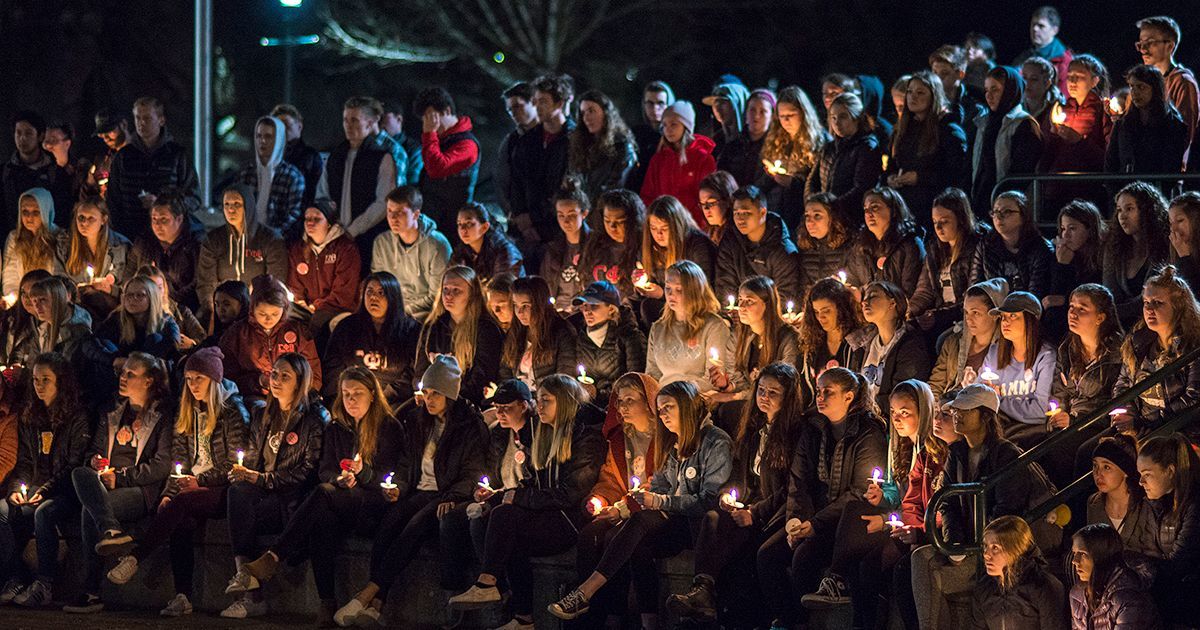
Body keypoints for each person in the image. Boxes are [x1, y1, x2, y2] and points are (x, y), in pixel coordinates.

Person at [229, 363, 404, 626]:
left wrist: (364, 474)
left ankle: (274, 557)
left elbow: (391, 478)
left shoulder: (388, 427)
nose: (351, 399)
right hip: (343, 498)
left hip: (374, 504)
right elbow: (326, 471)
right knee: (322, 519)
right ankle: (326, 601)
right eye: (346, 394)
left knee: (322, 495)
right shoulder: (337, 428)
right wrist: (340, 479)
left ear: (372, 394)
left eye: (357, 393)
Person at [547, 379, 732, 624]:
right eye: (661, 408)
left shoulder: (715, 441)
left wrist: (658, 501)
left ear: (686, 407)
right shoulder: (671, 441)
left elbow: (707, 501)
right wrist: (621, 506)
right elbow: (659, 487)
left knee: (640, 523)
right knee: (636, 534)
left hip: (700, 527)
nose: (663, 414)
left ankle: (586, 592)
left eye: (669, 407)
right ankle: (647, 621)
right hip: (675, 521)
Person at [333, 357, 488, 627]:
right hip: (418, 491)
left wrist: (453, 497)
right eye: (426, 392)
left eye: (436, 393)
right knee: (389, 524)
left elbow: (473, 471)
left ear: (449, 394)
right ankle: (378, 605)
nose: (429, 399)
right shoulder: (418, 420)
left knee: (414, 527)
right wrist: (400, 488)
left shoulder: (468, 425)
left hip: (445, 495)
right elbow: (406, 462)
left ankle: (367, 594)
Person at [448, 374, 606, 630]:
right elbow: (534, 482)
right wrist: (498, 496)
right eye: (538, 400)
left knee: (505, 518)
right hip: (545, 514)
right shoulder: (544, 435)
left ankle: (489, 584)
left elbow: (570, 494)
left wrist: (517, 498)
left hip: (569, 520)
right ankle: (523, 619)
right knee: (501, 520)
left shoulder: (586, 438)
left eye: (546, 401)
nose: (539, 407)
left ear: (565, 402)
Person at [102, 347, 250, 616]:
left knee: (181, 503)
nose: (192, 385)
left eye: (199, 379)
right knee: (179, 516)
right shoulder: (186, 411)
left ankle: (136, 557)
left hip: (222, 487)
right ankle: (183, 597)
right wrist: (168, 495)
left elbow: (235, 464)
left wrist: (200, 480)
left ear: (214, 380)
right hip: (190, 490)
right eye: (189, 378)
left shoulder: (232, 411)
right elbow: (178, 462)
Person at [668, 363, 802, 624]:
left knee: (735, 555)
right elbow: (742, 474)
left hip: (775, 515)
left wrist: (754, 512)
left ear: (787, 397)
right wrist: (728, 496)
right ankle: (702, 591)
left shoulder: (796, 433)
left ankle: (709, 608)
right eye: (761, 390)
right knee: (713, 517)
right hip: (751, 508)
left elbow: (792, 488)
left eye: (773, 393)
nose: (764, 397)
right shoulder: (754, 429)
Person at [797, 379, 934, 627]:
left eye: (905, 413)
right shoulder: (898, 445)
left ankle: (837, 580)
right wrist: (883, 497)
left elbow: (923, 503)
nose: (897, 419)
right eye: (893, 412)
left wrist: (884, 520)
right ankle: (852, 606)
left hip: (915, 526)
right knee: (855, 528)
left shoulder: (931, 452)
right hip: (898, 519)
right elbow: (895, 490)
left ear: (923, 413)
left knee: (868, 560)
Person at [757, 367, 885, 628]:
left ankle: (804, 622)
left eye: (829, 392)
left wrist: (815, 524)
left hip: (841, 523)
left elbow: (858, 491)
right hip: (811, 515)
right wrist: (795, 522)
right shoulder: (813, 427)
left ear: (849, 396)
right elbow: (799, 481)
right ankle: (787, 621)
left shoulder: (868, 433)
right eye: (818, 391)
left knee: (803, 558)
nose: (821, 397)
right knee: (766, 555)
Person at [914, 384, 1049, 629]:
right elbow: (948, 503)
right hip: (966, 542)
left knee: (932, 575)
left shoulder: (1005, 454)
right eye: (955, 411)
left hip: (991, 549)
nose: (956, 415)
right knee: (917, 559)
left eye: (964, 411)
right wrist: (954, 543)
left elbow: (1007, 511)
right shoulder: (956, 452)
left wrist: (976, 547)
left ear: (985, 415)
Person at [219, 353, 326, 619]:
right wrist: (244, 473)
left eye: (285, 376)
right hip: (264, 494)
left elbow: (306, 472)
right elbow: (255, 459)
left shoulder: (314, 417)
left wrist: (261, 479)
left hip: (291, 500)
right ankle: (246, 576)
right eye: (274, 374)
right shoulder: (264, 413)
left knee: (243, 505)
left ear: (300, 381)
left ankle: (251, 592)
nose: (276, 380)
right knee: (236, 492)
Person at [65, 352, 172, 614]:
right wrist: (97, 463)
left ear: (148, 381)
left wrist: (121, 477)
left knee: (89, 511)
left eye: (131, 374)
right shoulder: (112, 412)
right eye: (122, 373)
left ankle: (91, 591)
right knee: (80, 473)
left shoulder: (163, 416)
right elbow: (94, 451)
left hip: (139, 490)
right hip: (105, 485)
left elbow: (161, 464)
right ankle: (111, 531)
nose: (123, 378)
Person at [568, 372, 659, 627]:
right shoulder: (620, 438)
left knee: (612, 538)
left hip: (651, 511)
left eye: (630, 400)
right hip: (622, 506)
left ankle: (614, 616)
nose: (623, 407)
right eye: (619, 401)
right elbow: (610, 478)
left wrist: (623, 508)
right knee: (589, 534)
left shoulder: (663, 437)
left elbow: (662, 479)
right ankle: (589, 614)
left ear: (648, 402)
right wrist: (598, 498)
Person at [0, 352, 88, 607]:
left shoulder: (76, 417)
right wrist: (17, 488)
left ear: (61, 381)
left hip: (65, 491)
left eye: (45, 380)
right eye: (36, 380)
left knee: (44, 514)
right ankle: (14, 576)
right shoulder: (31, 416)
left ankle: (45, 582)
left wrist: (47, 490)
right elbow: (25, 461)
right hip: (36, 488)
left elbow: (74, 464)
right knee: (3, 511)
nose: (39, 386)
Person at [1111, 265, 1200, 437]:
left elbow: (1193, 399)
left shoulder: (1193, 346)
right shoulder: (1137, 343)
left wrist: (1146, 423)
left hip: (1177, 432)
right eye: (1146, 302)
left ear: (1179, 307)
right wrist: (1126, 414)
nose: (1149, 309)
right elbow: (1122, 385)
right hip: (1140, 425)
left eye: (1158, 303)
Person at [1051, 285, 1124, 485]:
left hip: (1097, 424)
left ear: (1100, 317)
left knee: (1062, 450)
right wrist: (1059, 412)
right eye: (1071, 307)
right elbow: (1059, 390)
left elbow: (1115, 399)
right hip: (1071, 422)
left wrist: (1075, 422)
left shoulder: (1117, 353)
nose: (1073, 313)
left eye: (1082, 309)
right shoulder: (1067, 348)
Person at [314, 96, 398, 259]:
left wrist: (354, 230)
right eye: (345, 120)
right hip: (336, 237)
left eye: (354, 120)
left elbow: (383, 202)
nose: (349, 126)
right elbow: (323, 194)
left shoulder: (380, 157)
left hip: (370, 238)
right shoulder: (336, 156)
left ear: (369, 123)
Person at [706, 276, 799, 425]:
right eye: (740, 299)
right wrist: (727, 386)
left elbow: (784, 386)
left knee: (728, 410)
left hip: (775, 405)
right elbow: (739, 378)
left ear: (767, 305)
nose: (741, 306)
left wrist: (734, 397)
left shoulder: (788, 338)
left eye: (749, 301)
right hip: (750, 400)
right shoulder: (740, 335)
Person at [104, 97, 200, 239]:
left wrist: (163, 205)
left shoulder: (177, 155)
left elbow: (194, 197)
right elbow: (112, 199)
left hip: (169, 239)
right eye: (138, 118)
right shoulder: (123, 156)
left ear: (161, 120)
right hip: (131, 235)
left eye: (147, 118)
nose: (141, 123)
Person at [885, 71, 969, 233]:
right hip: (906, 210)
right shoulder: (903, 129)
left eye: (920, 92)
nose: (912, 97)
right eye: (909, 92)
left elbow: (956, 173)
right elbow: (892, 164)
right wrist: (891, 177)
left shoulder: (948, 129)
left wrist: (920, 177)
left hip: (935, 211)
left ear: (934, 95)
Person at [219, 275, 321, 404]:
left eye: (275, 314)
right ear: (252, 309)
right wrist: (258, 381)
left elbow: (313, 371)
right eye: (262, 314)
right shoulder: (237, 334)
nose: (269, 319)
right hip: (254, 397)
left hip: (293, 397)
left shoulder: (298, 332)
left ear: (283, 310)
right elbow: (227, 376)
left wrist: (299, 390)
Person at [323, 271, 421, 404]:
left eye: (381, 293)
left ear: (393, 297)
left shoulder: (410, 329)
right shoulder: (347, 327)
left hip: (395, 402)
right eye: (369, 292)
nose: (374, 297)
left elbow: (414, 370)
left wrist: (384, 397)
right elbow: (333, 367)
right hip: (352, 399)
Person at [195, 184, 287, 323]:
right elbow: (206, 281)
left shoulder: (270, 239)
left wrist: (253, 306)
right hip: (222, 308)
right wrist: (212, 308)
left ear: (248, 206)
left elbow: (275, 281)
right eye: (227, 204)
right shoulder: (213, 239)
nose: (231, 209)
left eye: (237, 204)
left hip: (258, 308)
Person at [414, 265, 505, 405]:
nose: (449, 295)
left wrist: (447, 398)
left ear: (472, 294)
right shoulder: (434, 326)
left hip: (469, 404)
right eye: (445, 289)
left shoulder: (486, 329)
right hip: (433, 400)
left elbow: (481, 379)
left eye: (456, 290)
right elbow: (421, 370)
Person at [1136, 433, 1200, 625]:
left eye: (1147, 475)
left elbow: (1180, 564)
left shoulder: (1195, 505)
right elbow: (1149, 550)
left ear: (1170, 471)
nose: (1141, 482)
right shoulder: (1158, 504)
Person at [978, 291, 1056, 448]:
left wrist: (998, 400)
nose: (1005, 321)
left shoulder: (1046, 356)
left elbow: (1040, 410)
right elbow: (978, 393)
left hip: (1028, 434)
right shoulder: (995, 352)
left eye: (1013, 316)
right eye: (1003, 316)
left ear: (1031, 320)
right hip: (998, 427)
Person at [909, 187, 988, 337]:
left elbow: (971, 295)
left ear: (961, 219)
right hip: (940, 314)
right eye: (934, 222)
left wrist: (938, 316)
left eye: (944, 221)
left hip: (963, 317)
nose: (938, 228)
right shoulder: (934, 249)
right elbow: (924, 291)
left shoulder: (977, 247)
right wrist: (907, 311)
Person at [510, 74, 576, 249]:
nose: (537, 106)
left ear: (559, 104)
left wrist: (535, 218)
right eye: (536, 101)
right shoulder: (528, 141)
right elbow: (516, 180)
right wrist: (522, 216)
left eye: (544, 101)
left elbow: (568, 186)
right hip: (526, 229)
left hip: (558, 227)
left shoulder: (574, 141)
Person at [848, 281, 933, 414]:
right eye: (864, 297)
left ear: (892, 303)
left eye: (873, 296)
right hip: (865, 417)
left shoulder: (911, 345)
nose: (864, 302)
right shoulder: (863, 344)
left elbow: (903, 394)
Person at [646, 260, 731, 394]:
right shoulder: (658, 328)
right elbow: (652, 374)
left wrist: (678, 395)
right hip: (662, 400)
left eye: (679, 289)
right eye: (668, 288)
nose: (671, 295)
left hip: (695, 398)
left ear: (694, 291)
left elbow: (712, 379)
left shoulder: (713, 326)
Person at [371, 185, 452, 323]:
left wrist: (401, 311)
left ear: (415, 214)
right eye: (389, 211)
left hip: (423, 314)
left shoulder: (437, 245)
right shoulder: (382, 242)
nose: (393, 217)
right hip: (390, 308)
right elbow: (379, 282)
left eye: (400, 212)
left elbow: (436, 296)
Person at [970, 515, 1067, 629]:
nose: (986, 554)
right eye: (985, 546)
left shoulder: (1044, 586)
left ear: (1015, 550)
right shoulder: (984, 588)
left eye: (995, 547)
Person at [1039, 54, 1111, 206]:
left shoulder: (1104, 111)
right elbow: (1050, 153)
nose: (1072, 81)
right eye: (1070, 75)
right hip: (1058, 188)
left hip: (1089, 190)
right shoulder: (1061, 109)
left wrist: (1079, 141)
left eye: (1079, 76)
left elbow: (1108, 158)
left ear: (1094, 81)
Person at [634, 195, 716, 326]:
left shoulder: (697, 246)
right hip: (667, 307)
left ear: (677, 226)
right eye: (653, 228)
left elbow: (703, 291)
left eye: (664, 229)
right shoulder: (650, 249)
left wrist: (662, 294)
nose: (658, 234)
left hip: (694, 311)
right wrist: (640, 284)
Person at [971, 66, 1043, 214]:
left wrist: (1001, 202)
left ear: (1010, 90)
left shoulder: (1024, 124)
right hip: (982, 202)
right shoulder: (984, 122)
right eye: (986, 90)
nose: (988, 96)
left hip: (1009, 208)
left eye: (995, 89)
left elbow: (1021, 172)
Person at [410, 87, 479, 241]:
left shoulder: (467, 144)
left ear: (447, 111)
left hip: (454, 230)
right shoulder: (437, 141)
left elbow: (437, 168)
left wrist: (429, 135)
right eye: (425, 120)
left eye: (431, 117)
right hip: (431, 224)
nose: (428, 124)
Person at [715, 185, 802, 306]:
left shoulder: (781, 249)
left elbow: (785, 295)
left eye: (746, 213)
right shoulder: (730, 241)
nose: (740, 219)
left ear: (762, 212)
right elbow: (724, 283)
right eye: (737, 213)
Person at [286, 198, 361, 338]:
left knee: (317, 325)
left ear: (329, 223)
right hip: (305, 308)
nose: (310, 222)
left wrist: (316, 306)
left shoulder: (345, 248)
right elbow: (294, 284)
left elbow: (344, 292)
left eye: (317, 218)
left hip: (336, 308)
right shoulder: (298, 249)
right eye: (307, 218)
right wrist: (300, 302)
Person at [805, 92, 883, 223]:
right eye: (833, 117)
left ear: (856, 117)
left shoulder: (866, 147)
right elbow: (812, 180)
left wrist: (831, 207)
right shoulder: (829, 147)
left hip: (850, 219)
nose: (837, 123)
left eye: (843, 117)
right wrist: (811, 204)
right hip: (825, 219)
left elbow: (861, 188)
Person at [1103, 182, 1172, 329]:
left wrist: (1113, 311)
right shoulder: (1115, 247)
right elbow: (1110, 293)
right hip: (1121, 325)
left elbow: (1154, 298)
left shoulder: (1165, 246)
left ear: (1147, 210)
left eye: (1129, 209)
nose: (1122, 216)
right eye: (1119, 210)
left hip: (1156, 324)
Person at [640, 101, 718, 227]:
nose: (668, 130)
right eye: (664, 125)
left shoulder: (702, 158)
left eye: (674, 124)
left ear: (686, 126)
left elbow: (708, 197)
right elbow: (648, 195)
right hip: (663, 228)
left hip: (694, 228)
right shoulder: (659, 159)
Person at [1069, 522, 1160, 630]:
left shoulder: (1129, 600)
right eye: (1074, 553)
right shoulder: (1077, 595)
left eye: (1083, 553)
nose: (1075, 561)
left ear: (1101, 557)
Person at [758, 86, 827, 229]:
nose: (786, 120)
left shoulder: (819, 142)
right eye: (782, 116)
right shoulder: (776, 140)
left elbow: (821, 184)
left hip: (803, 216)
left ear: (803, 113)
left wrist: (793, 183)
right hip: (777, 213)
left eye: (791, 114)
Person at [1136, 15, 1198, 170]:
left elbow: (1183, 132)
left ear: (1170, 46)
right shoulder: (1144, 83)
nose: (1143, 49)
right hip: (1142, 169)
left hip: (1166, 172)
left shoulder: (1183, 82)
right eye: (1141, 44)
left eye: (1149, 43)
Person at [930, 278, 1009, 398]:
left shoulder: (1007, 348)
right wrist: (933, 409)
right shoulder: (953, 344)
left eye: (976, 313)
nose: (968, 319)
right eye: (966, 312)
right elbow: (936, 384)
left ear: (995, 314)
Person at [572, 281, 647, 407]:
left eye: (594, 306)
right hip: (591, 408)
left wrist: (600, 393)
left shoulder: (629, 337)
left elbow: (636, 381)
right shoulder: (582, 338)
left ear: (611, 309)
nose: (587, 311)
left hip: (621, 407)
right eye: (584, 306)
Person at [57, 196, 132, 318]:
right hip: (74, 310)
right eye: (81, 217)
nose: (84, 223)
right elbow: (58, 279)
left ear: (103, 219)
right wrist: (76, 290)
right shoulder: (65, 244)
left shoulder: (120, 246)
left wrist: (108, 289)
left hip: (111, 312)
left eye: (91, 218)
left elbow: (129, 287)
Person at [1106, 64, 1189, 175]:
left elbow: (1171, 167)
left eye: (1141, 87)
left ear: (1155, 89)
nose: (1134, 92)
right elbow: (1111, 162)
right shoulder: (1123, 124)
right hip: (1126, 188)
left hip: (1156, 188)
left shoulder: (1172, 125)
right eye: (1132, 86)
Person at [127, 192, 203, 312]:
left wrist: (168, 300)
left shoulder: (195, 244)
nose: (157, 225)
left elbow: (199, 282)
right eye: (154, 219)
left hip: (183, 309)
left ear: (179, 219)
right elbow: (129, 275)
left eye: (164, 219)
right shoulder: (144, 242)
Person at [499, 276, 578, 389]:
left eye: (525, 306)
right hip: (518, 400)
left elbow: (564, 379)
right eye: (516, 305)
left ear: (539, 305)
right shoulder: (516, 331)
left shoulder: (561, 332)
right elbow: (505, 369)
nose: (519, 312)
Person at [796, 277, 865, 407]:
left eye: (826, 311)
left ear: (841, 308)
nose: (820, 317)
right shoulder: (813, 345)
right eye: (816, 312)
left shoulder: (858, 343)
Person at [846, 186, 926, 296]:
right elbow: (852, 280)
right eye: (865, 209)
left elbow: (909, 290)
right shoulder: (860, 247)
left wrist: (865, 293)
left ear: (893, 211)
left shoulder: (909, 245)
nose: (868, 214)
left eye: (875, 207)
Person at [1085, 435, 1156, 557]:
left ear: (1125, 471)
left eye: (1106, 467)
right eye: (1095, 465)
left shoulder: (1145, 503)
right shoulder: (1094, 503)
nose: (1098, 473)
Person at [974, 190, 1054, 296]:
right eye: (995, 212)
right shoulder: (986, 245)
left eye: (1006, 212)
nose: (999, 217)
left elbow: (1036, 294)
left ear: (1023, 216)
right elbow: (975, 287)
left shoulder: (1041, 248)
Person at [1044, 200, 1104, 338]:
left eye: (1072, 228)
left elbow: (1094, 297)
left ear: (1089, 229)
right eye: (1063, 229)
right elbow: (1051, 297)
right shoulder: (1060, 255)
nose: (1065, 235)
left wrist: (1065, 300)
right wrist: (1061, 264)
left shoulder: (1101, 257)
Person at [238, 116, 305, 239]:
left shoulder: (292, 177)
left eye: (268, 137)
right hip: (248, 240)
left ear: (279, 140)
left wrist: (272, 236)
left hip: (278, 243)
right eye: (259, 136)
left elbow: (294, 216)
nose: (262, 141)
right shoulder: (248, 173)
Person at [568, 89, 637, 207]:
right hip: (582, 214)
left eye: (591, 111)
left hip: (609, 213)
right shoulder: (581, 146)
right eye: (583, 113)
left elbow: (616, 187)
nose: (587, 117)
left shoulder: (621, 147)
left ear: (605, 113)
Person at [94, 275, 180, 362]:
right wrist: (114, 359)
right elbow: (96, 341)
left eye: (139, 295)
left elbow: (172, 352)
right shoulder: (117, 318)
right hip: (121, 370)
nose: (132, 299)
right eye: (129, 295)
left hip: (150, 371)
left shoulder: (166, 322)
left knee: (155, 339)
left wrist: (132, 363)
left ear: (152, 298)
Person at [579, 188, 644, 301]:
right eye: (607, 221)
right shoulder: (595, 246)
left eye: (620, 221)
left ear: (633, 221)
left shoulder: (643, 249)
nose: (612, 227)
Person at [540, 179, 592, 310]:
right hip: (558, 312)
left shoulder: (595, 246)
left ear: (584, 213)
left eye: (572, 215)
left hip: (584, 311)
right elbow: (545, 285)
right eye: (561, 215)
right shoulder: (553, 249)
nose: (566, 221)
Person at [795, 193, 856, 300]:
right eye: (807, 216)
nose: (809, 222)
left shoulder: (851, 247)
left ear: (833, 217)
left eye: (817, 215)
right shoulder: (804, 248)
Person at [930, 45, 989, 153]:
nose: (937, 79)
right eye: (934, 73)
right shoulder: (928, 102)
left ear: (960, 74)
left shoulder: (975, 109)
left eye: (944, 73)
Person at [2, 187, 59, 296]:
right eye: (25, 211)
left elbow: (59, 275)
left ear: (45, 211)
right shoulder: (15, 238)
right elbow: (10, 273)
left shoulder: (59, 237)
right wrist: (14, 296)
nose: (29, 217)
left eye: (36, 212)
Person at [449, 201, 523, 283]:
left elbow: (502, 290)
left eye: (469, 223)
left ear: (484, 227)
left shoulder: (504, 252)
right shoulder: (460, 252)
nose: (463, 229)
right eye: (459, 224)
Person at [270, 104, 324, 209]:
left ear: (299, 126)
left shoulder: (311, 157)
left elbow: (315, 193)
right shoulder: (271, 157)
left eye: (286, 124)